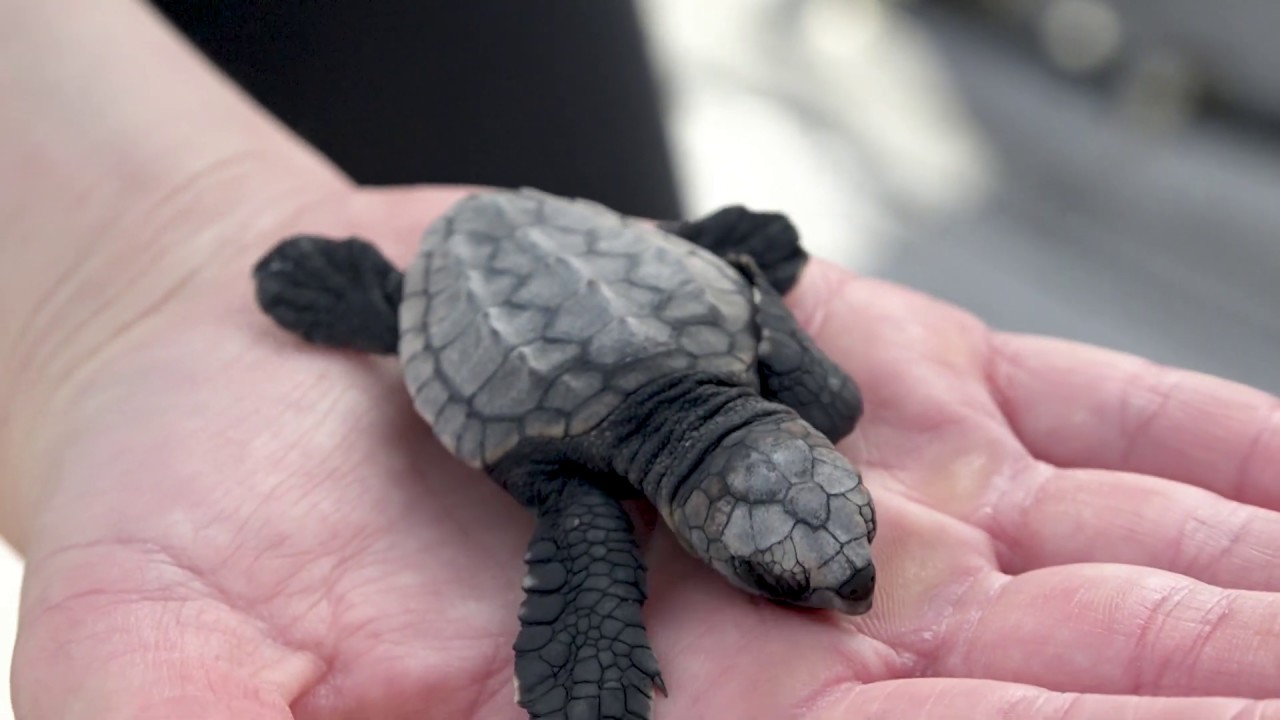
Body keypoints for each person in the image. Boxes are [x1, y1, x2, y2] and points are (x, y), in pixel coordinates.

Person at [3, 3, 1279, 718]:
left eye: (826, 564)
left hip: (578, 219)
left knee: (738, 260)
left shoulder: (751, 414)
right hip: (518, 282)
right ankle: (379, 303)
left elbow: (754, 294)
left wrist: (139, 242)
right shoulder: (582, 494)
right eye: (803, 573)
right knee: (371, 297)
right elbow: (748, 309)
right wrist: (133, 267)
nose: (841, 586)